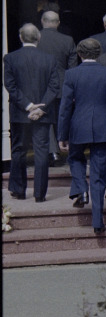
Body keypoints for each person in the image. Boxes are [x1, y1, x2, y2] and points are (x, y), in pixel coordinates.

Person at [56, 38, 106, 230]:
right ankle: (97, 221)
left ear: (79, 54)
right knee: (99, 175)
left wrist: (62, 134)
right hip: (104, 126)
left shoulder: (71, 74)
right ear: (99, 53)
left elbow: (65, 107)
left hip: (78, 125)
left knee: (75, 159)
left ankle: (81, 189)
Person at [5, 24, 62, 202]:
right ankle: (39, 194)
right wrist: (40, 108)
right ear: (38, 38)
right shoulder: (50, 59)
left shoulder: (10, 58)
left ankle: (19, 189)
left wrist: (28, 106)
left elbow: (10, 86)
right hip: (43, 113)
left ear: (21, 38)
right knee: (41, 152)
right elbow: (54, 87)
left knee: (19, 151)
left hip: (20, 113)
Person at [36, 11, 76, 163]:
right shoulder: (68, 40)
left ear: (42, 21)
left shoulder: (36, 39)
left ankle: (53, 152)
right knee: (63, 117)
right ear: (58, 23)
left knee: (45, 119)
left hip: (42, 85)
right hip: (62, 85)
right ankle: (66, 147)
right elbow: (72, 68)